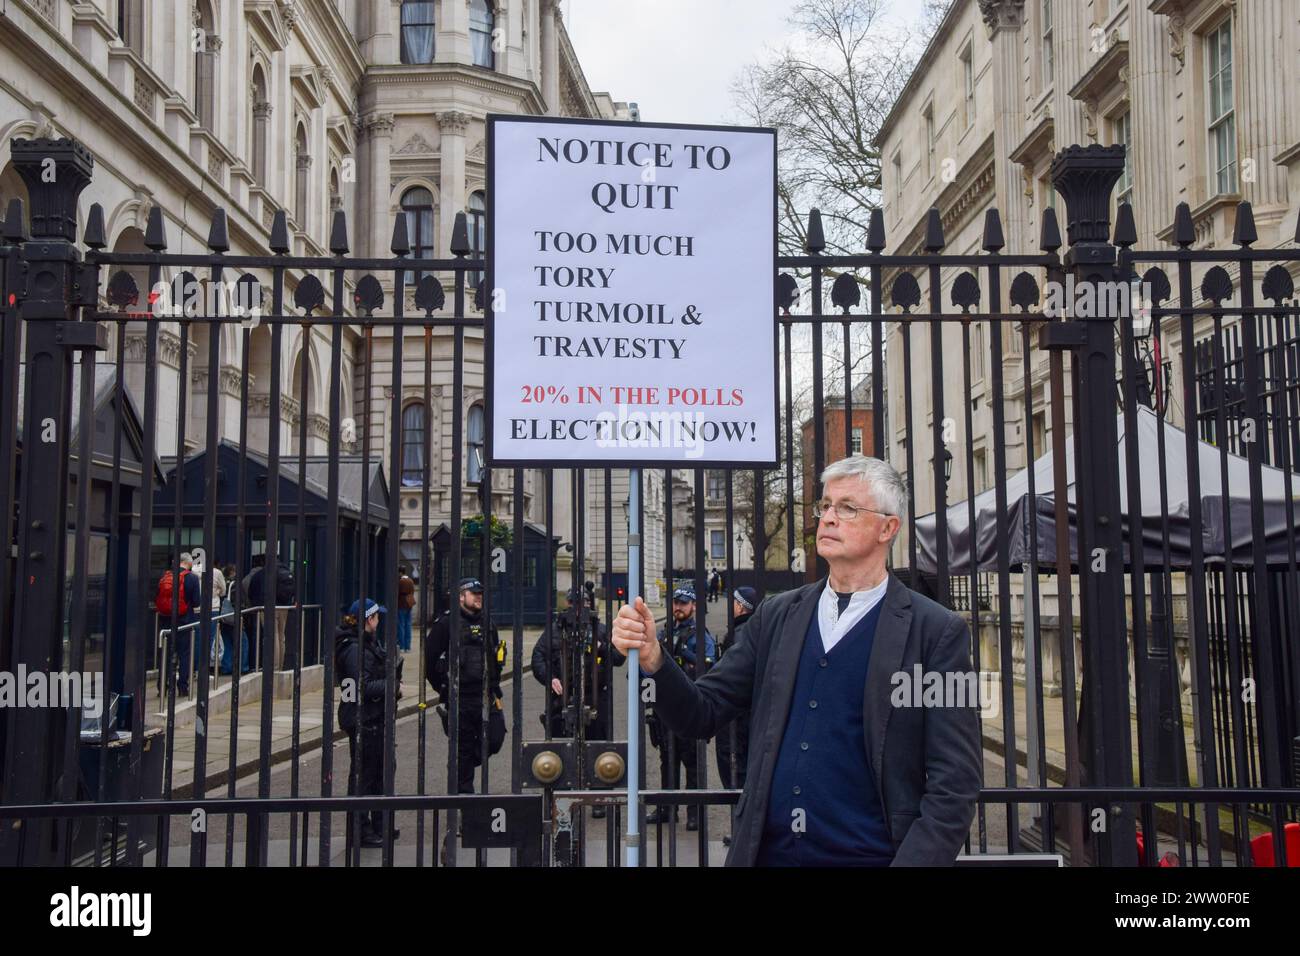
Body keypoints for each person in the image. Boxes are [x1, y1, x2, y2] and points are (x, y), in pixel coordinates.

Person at [613, 455, 982, 866]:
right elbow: (703, 712)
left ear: (887, 528)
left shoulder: (938, 632)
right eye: (825, 506)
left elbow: (956, 783)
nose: (827, 518)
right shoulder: (777, 616)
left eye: (848, 508)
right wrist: (655, 659)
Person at [531, 586, 626, 814]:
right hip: (563, 698)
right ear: (568, 605)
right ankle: (563, 797)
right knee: (563, 745)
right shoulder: (555, 630)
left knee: (598, 745)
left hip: (596, 697)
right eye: (575, 604)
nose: (579, 608)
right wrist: (550, 678)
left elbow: (619, 658)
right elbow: (538, 657)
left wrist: (602, 648)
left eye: (583, 603)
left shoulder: (600, 630)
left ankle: (597, 799)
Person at [426, 577, 506, 793]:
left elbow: (495, 656)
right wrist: (444, 689)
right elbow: (430, 663)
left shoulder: (487, 622)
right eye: (474, 594)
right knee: (462, 750)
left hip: (485, 696)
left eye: (481, 593)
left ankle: (466, 766)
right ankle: (464, 797)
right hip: (460, 698)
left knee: (495, 738)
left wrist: (494, 686)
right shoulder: (445, 625)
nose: (479, 597)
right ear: (461, 597)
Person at [335, 598, 403, 849]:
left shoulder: (367, 644)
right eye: (376, 617)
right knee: (364, 776)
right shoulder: (354, 649)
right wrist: (392, 686)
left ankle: (379, 824)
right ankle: (361, 830)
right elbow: (361, 686)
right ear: (368, 620)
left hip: (375, 716)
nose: (379, 621)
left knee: (380, 773)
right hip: (365, 719)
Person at [645, 586, 715, 831]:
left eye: (683, 603)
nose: (678, 607)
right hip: (664, 709)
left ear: (694, 605)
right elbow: (648, 670)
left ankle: (694, 811)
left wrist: (683, 651)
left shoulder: (700, 635)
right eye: (675, 603)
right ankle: (667, 808)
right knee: (668, 760)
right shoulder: (662, 634)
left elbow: (709, 666)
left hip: (689, 707)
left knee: (692, 762)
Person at [156, 552, 202, 696]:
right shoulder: (192, 578)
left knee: (166, 655)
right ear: (188, 563)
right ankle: (183, 687)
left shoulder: (165, 576)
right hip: (184, 622)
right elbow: (196, 602)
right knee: (185, 655)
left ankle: (162, 686)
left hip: (165, 621)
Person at [243, 556, 295, 671]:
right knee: (281, 637)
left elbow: (252, 591)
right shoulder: (286, 570)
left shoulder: (262, 573)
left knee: (272, 635)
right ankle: (280, 665)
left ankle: (273, 667)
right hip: (284, 607)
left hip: (268, 608)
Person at [218, 562, 249, 675]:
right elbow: (238, 601)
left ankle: (227, 666)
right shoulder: (235, 584)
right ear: (233, 572)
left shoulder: (223, 584)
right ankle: (243, 667)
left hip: (224, 618)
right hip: (234, 617)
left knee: (227, 642)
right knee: (243, 641)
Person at [397, 565, 415, 653]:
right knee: (408, 625)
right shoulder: (410, 581)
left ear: (400, 572)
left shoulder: (401, 581)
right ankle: (408, 646)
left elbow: (397, 592)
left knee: (401, 625)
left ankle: (402, 646)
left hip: (401, 604)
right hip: (409, 603)